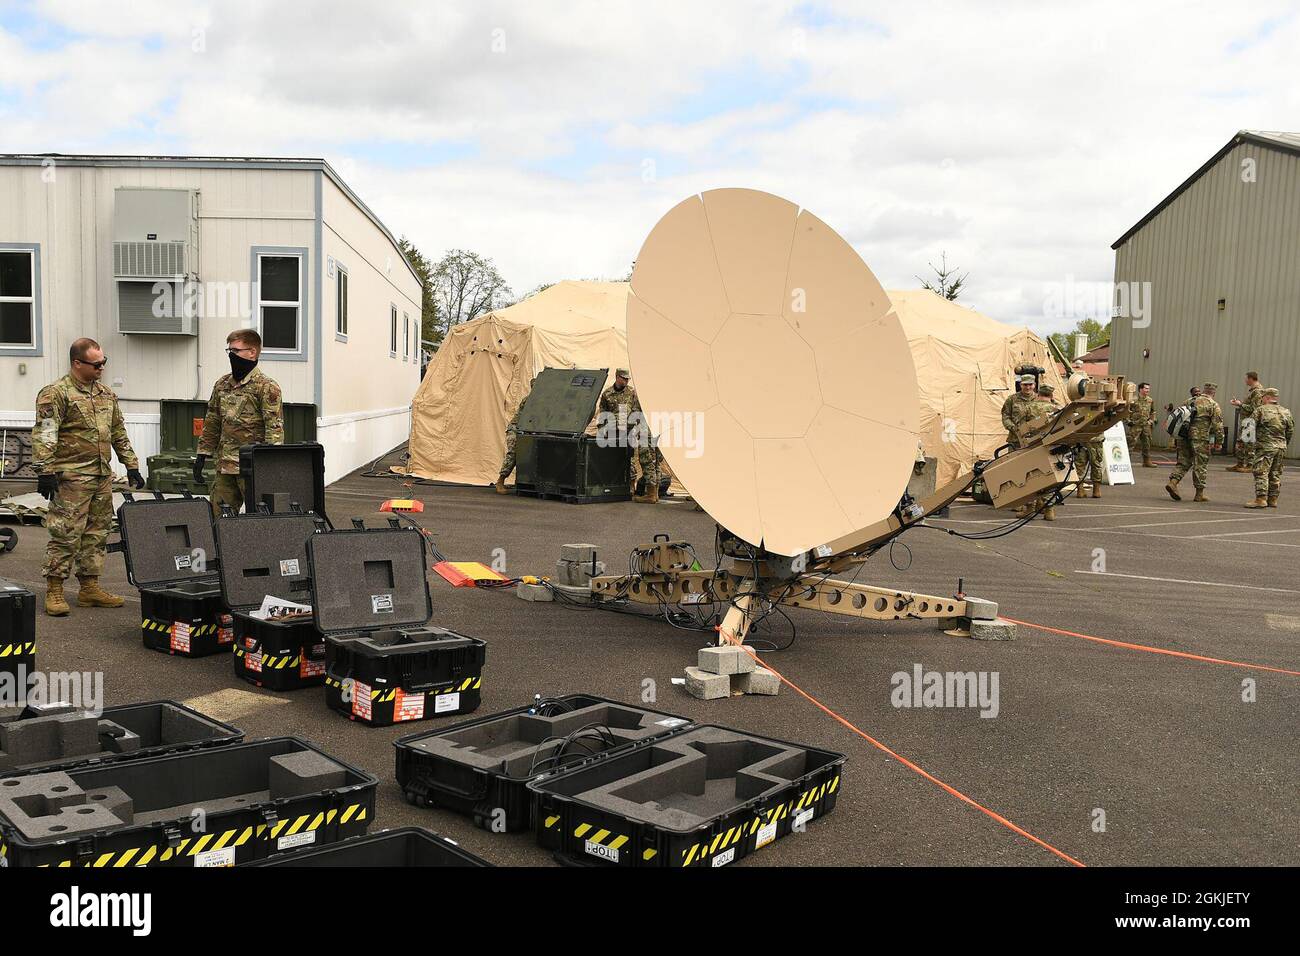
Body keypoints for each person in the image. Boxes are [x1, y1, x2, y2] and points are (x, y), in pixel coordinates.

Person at [32, 337, 145, 616]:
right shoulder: (55, 393)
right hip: (71, 478)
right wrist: (45, 471)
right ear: (77, 363)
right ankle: (55, 590)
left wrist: (131, 465)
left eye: (104, 362)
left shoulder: (106, 394)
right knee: (65, 533)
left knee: (97, 534)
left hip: (100, 477)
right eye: (96, 364)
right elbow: (46, 432)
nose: (102, 368)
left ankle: (89, 588)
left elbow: (118, 431)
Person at [195, 329, 284, 515]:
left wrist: (270, 466)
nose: (232, 356)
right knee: (219, 516)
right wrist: (203, 453)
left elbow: (274, 429)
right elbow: (212, 421)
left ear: (252, 352)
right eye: (229, 351)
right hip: (225, 466)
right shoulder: (222, 384)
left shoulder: (266, 387)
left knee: (259, 518)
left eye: (236, 351)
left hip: (251, 467)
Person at [597, 368, 659, 503]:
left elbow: (639, 411)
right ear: (617, 377)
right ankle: (629, 487)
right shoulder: (607, 394)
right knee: (625, 459)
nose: (626, 381)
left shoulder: (632, 393)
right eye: (623, 378)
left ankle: (652, 493)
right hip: (617, 432)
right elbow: (602, 412)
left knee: (647, 457)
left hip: (635, 429)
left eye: (627, 379)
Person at [1167, 382, 1223, 502]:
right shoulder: (1213, 404)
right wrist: (1219, 441)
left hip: (1184, 436)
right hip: (1200, 439)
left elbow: (1178, 416)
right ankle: (1199, 494)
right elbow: (1217, 425)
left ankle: (1173, 482)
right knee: (1200, 464)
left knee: (1183, 461)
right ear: (1213, 393)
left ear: (1204, 390)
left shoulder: (1190, 401)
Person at [1016, 383, 1060, 520]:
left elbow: (1020, 426)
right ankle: (1049, 510)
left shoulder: (1029, 407)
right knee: (1050, 477)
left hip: (1032, 447)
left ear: (1038, 394)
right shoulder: (1057, 409)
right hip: (1052, 447)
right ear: (1051, 395)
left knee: (1030, 477)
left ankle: (1029, 508)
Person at [1244, 388, 1294, 508]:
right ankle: (1273, 499)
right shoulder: (1286, 411)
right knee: (1275, 473)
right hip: (1280, 447)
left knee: (1261, 471)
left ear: (1266, 397)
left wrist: (1248, 445)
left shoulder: (1260, 410)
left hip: (1265, 447)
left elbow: (1249, 428)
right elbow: (1290, 430)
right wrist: (1284, 443)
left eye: (1262, 397)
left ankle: (1261, 499)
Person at [1228, 371, 1264, 472]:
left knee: (1249, 443)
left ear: (1251, 379)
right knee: (1242, 443)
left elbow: (1255, 408)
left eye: (1246, 378)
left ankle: (1249, 465)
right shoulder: (1253, 391)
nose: (1245, 380)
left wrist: (1240, 404)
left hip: (1250, 421)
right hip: (1246, 421)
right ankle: (1240, 464)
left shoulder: (1257, 391)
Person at [1001, 374, 1037, 448]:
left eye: (1030, 384)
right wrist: (1015, 429)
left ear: (1034, 385)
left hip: (1036, 439)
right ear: (1020, 385)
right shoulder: (1012, 399)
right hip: (1016, 440)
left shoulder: (1039, 399)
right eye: (1025, 385)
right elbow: (1005, 417)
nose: (1028, 387)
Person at [1126, 382, 1156, 467]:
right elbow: (1126, 411)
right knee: (1130, 443)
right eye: (1146, 388)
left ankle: (1146, 461)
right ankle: (1126, 462)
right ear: (1140, 389)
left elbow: (1153, 412)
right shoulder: (1133, 400)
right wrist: (1128, 421)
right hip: (1135, 425)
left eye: (1148, 389)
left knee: (1147, 444)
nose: (1148, 390)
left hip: (1146, 425)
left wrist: (1151, 421)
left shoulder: (1150, 400)